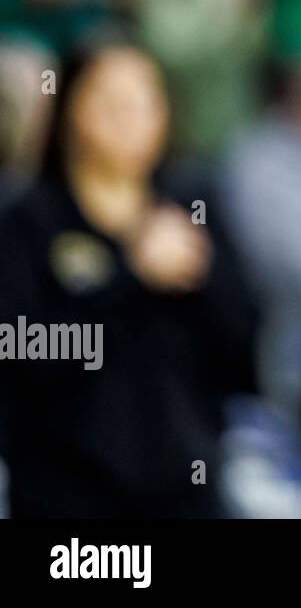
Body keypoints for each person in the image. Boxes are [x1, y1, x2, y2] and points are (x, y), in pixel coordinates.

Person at [0, 39, 259, 516]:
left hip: (187, 487)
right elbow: (24, 352)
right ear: (68, 110)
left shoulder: (193, 202)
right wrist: (131, 276)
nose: (129, 118)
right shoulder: (28, 220)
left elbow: (245, 344)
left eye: (144, 101)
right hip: (66, 495)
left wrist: (204, 275)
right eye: (109, 102)